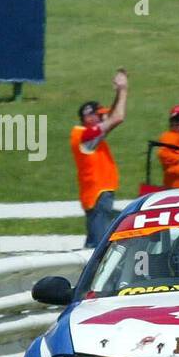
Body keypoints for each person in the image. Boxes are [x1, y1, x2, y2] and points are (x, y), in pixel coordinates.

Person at [71, 69, 128, 247]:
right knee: (98, 248)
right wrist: (124, 89)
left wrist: (119, 92)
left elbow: (113, 115)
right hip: (98, 195)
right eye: (99, 115)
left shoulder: (86, 134)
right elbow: (117, 118)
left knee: (95, 244)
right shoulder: (85, 135)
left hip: (98, 195)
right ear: (88, 117)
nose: (103, 117)